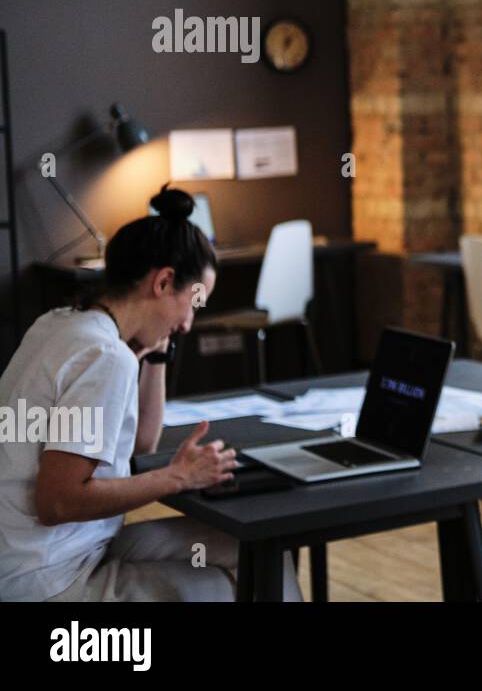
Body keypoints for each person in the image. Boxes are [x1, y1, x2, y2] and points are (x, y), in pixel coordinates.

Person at [0, 185, 302, 601]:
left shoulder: (61, 324)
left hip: (45, 553)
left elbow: (141, 443)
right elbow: (59, 502)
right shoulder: (105, 356)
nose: (187, 325)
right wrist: (177, 477)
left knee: (255, 551)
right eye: (194, 305)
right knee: (230, 584)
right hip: (49, 579)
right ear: (163, 282)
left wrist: (153, 356)